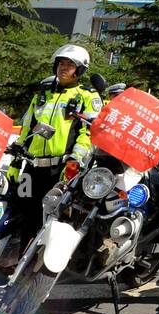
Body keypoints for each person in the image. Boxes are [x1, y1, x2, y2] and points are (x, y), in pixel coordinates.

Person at [11, 44, 102, 247]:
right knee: (28, 215)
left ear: (79, 70)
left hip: (62, 168)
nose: (64, 67)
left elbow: (89, 133)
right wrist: (16, 160)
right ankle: (20, 265)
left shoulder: (87, 96)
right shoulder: (42, 94)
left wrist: (75, 159)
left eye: (70, 65)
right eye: (61, 63)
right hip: (33, 167)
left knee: (55, 218)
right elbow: (27, 126)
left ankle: (46, 271)